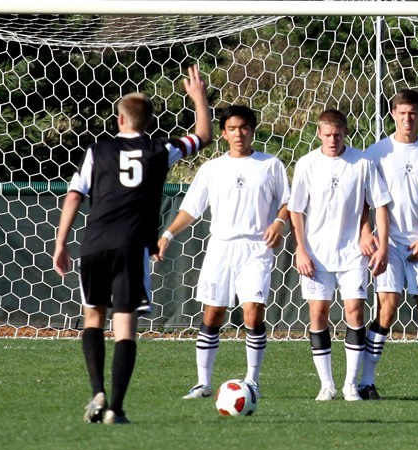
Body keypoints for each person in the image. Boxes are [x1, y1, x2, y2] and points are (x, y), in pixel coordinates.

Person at [53, 65, 212, 424]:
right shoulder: (160, 150)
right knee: (125, 327)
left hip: (94, 245)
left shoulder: (98, 150)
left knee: (92, 317)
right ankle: (116, 409)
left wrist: (61, 242)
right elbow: (203, 135)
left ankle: (97, 391)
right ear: (148, 120)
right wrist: (199, 97)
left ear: (120, 118)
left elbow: (75, 195)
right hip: (131, 247)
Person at [155, 105, 291, 400]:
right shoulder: (212, 168)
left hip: (257, 247)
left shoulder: (271, 165)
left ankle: (252, 382)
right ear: (224, 133)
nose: (238, 133)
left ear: (252, 130)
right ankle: (203, 383)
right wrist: (166, 235)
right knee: (213, 313)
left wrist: (279, 222)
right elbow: (191, 209)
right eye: (232, 128)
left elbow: (288, 202)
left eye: (243, 127)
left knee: (253, 312)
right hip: (221, 247)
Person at [289, 109, 392, 401]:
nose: (332, 139)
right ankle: (327, 385)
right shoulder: (307, 164)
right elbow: (296, 210)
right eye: (327, 134)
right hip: (316, 254)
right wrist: (301, 248)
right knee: (318, 313)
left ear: (346, 132)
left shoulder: (362, 162)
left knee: (355, 312)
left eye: (337, 134)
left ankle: (349, 384)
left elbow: (380, 204)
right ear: (319, 133)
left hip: (352, 255)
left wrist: (381, 244)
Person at [358, 89, 418, 401]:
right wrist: (365, 231)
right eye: (401, 112)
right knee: (388, 307)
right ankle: (366, 382)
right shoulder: (376, 152)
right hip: (388, 243)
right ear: (392, 114)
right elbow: (363, 200)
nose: (407, 118)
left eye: (412, 113)